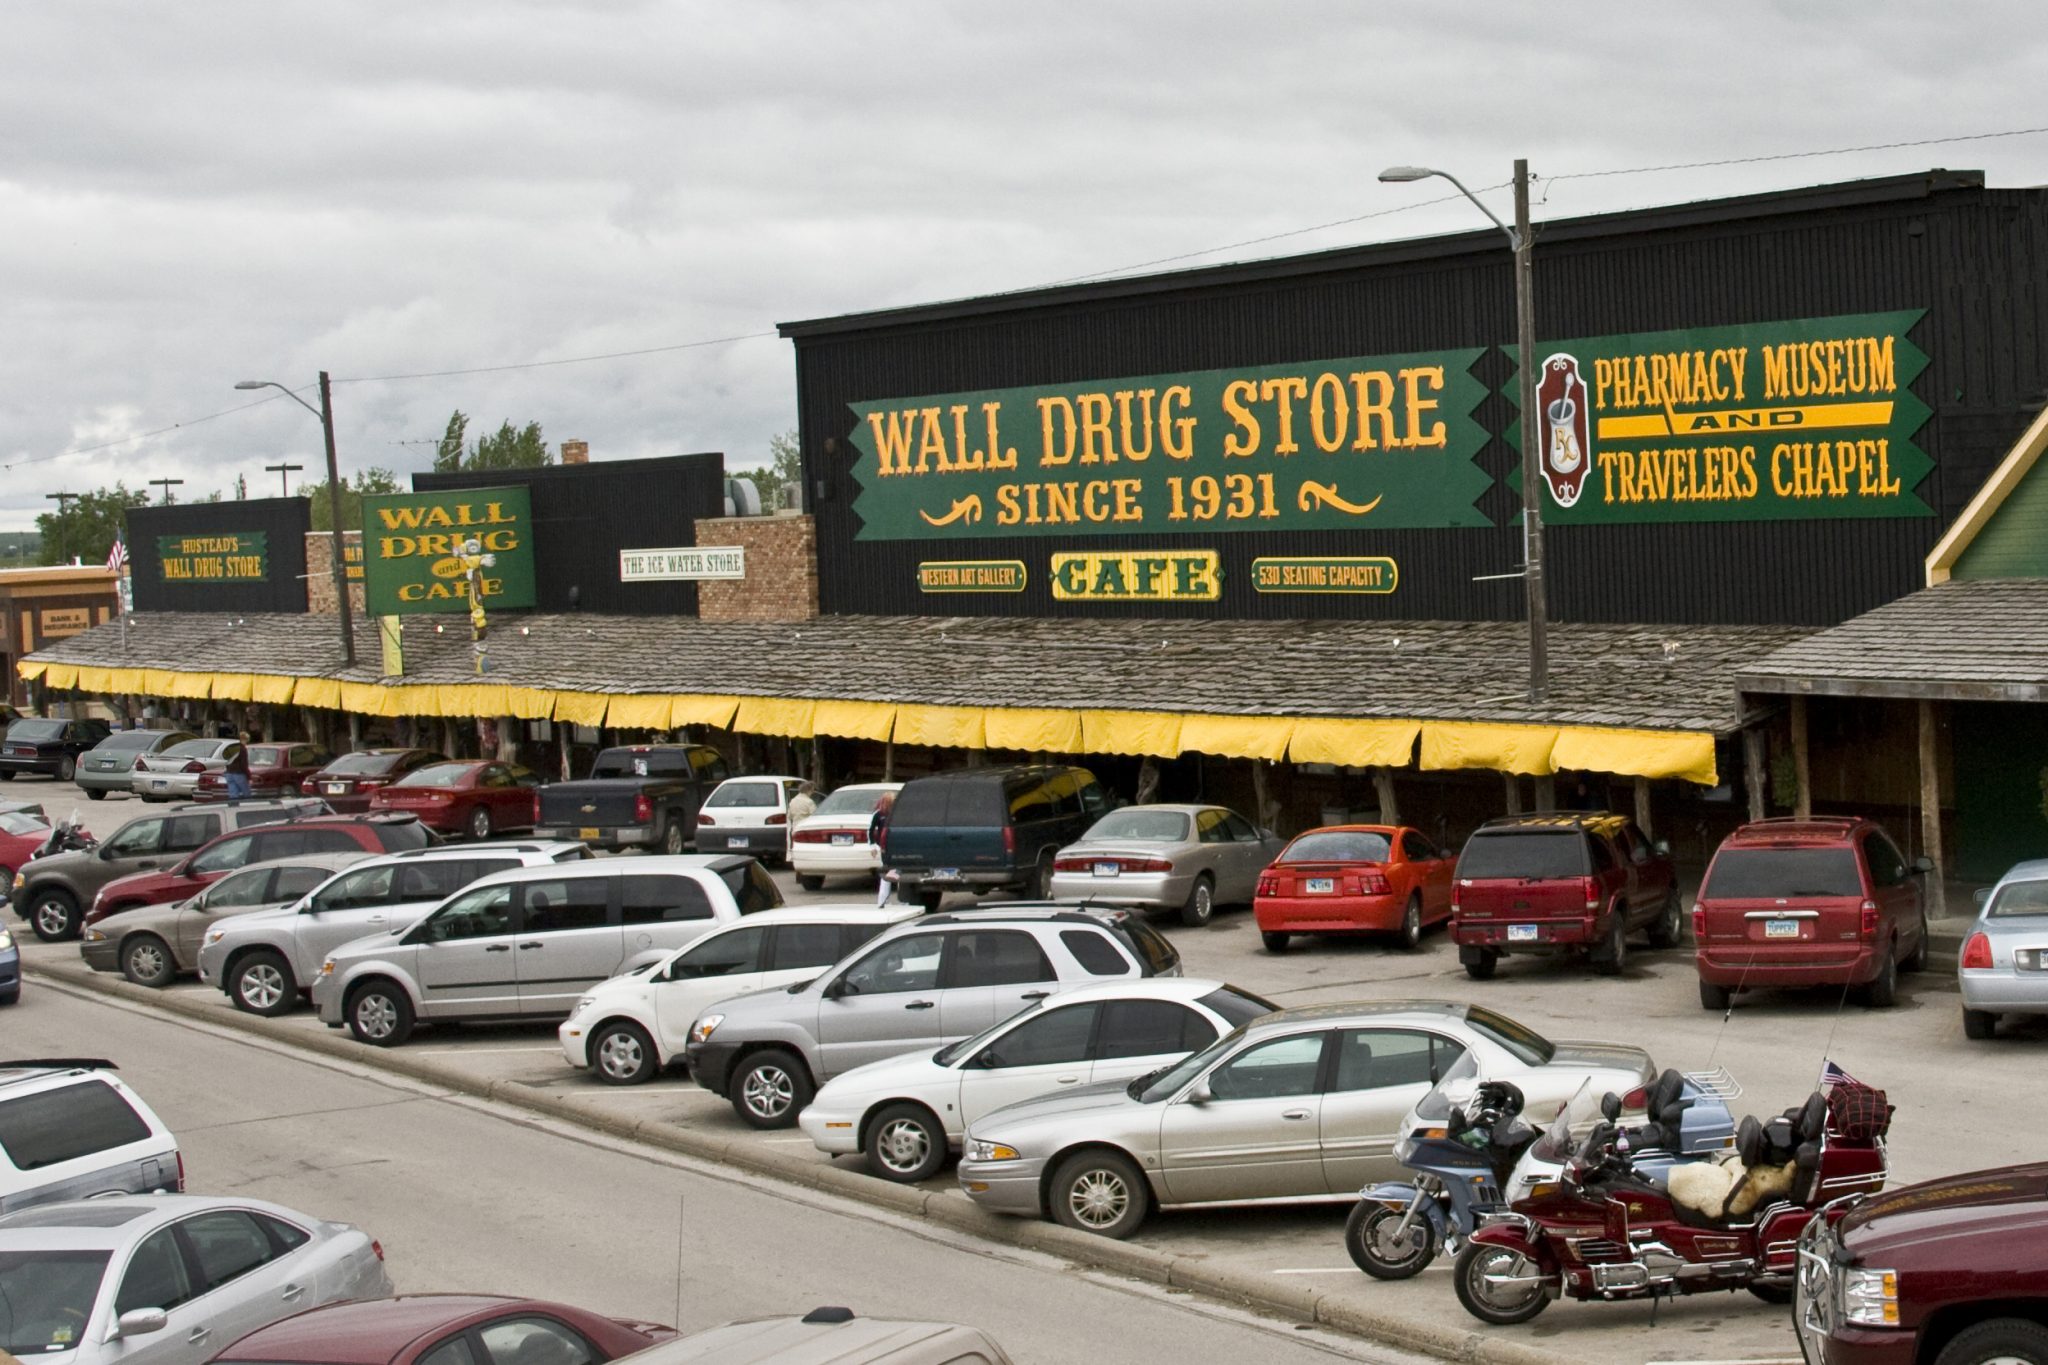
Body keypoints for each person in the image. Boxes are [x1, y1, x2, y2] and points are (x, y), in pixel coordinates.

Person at [869, 790, 896, 908]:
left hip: (895, 845)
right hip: (883, 847)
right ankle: (882, 900)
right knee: (886, 873)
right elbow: (870, 830)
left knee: (900, 872)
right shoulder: (878, 814)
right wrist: (873, 846)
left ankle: (905, 900)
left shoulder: (896, 814)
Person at [224, 732, 252, 803]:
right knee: (247, 793)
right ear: (244, 739)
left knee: (233, 795)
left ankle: (234, 808)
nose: (247, 743)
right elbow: (244, 765)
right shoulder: (242, 749)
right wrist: (249, 777)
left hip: (229, 773)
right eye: (247, 740)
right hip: (239, 774)